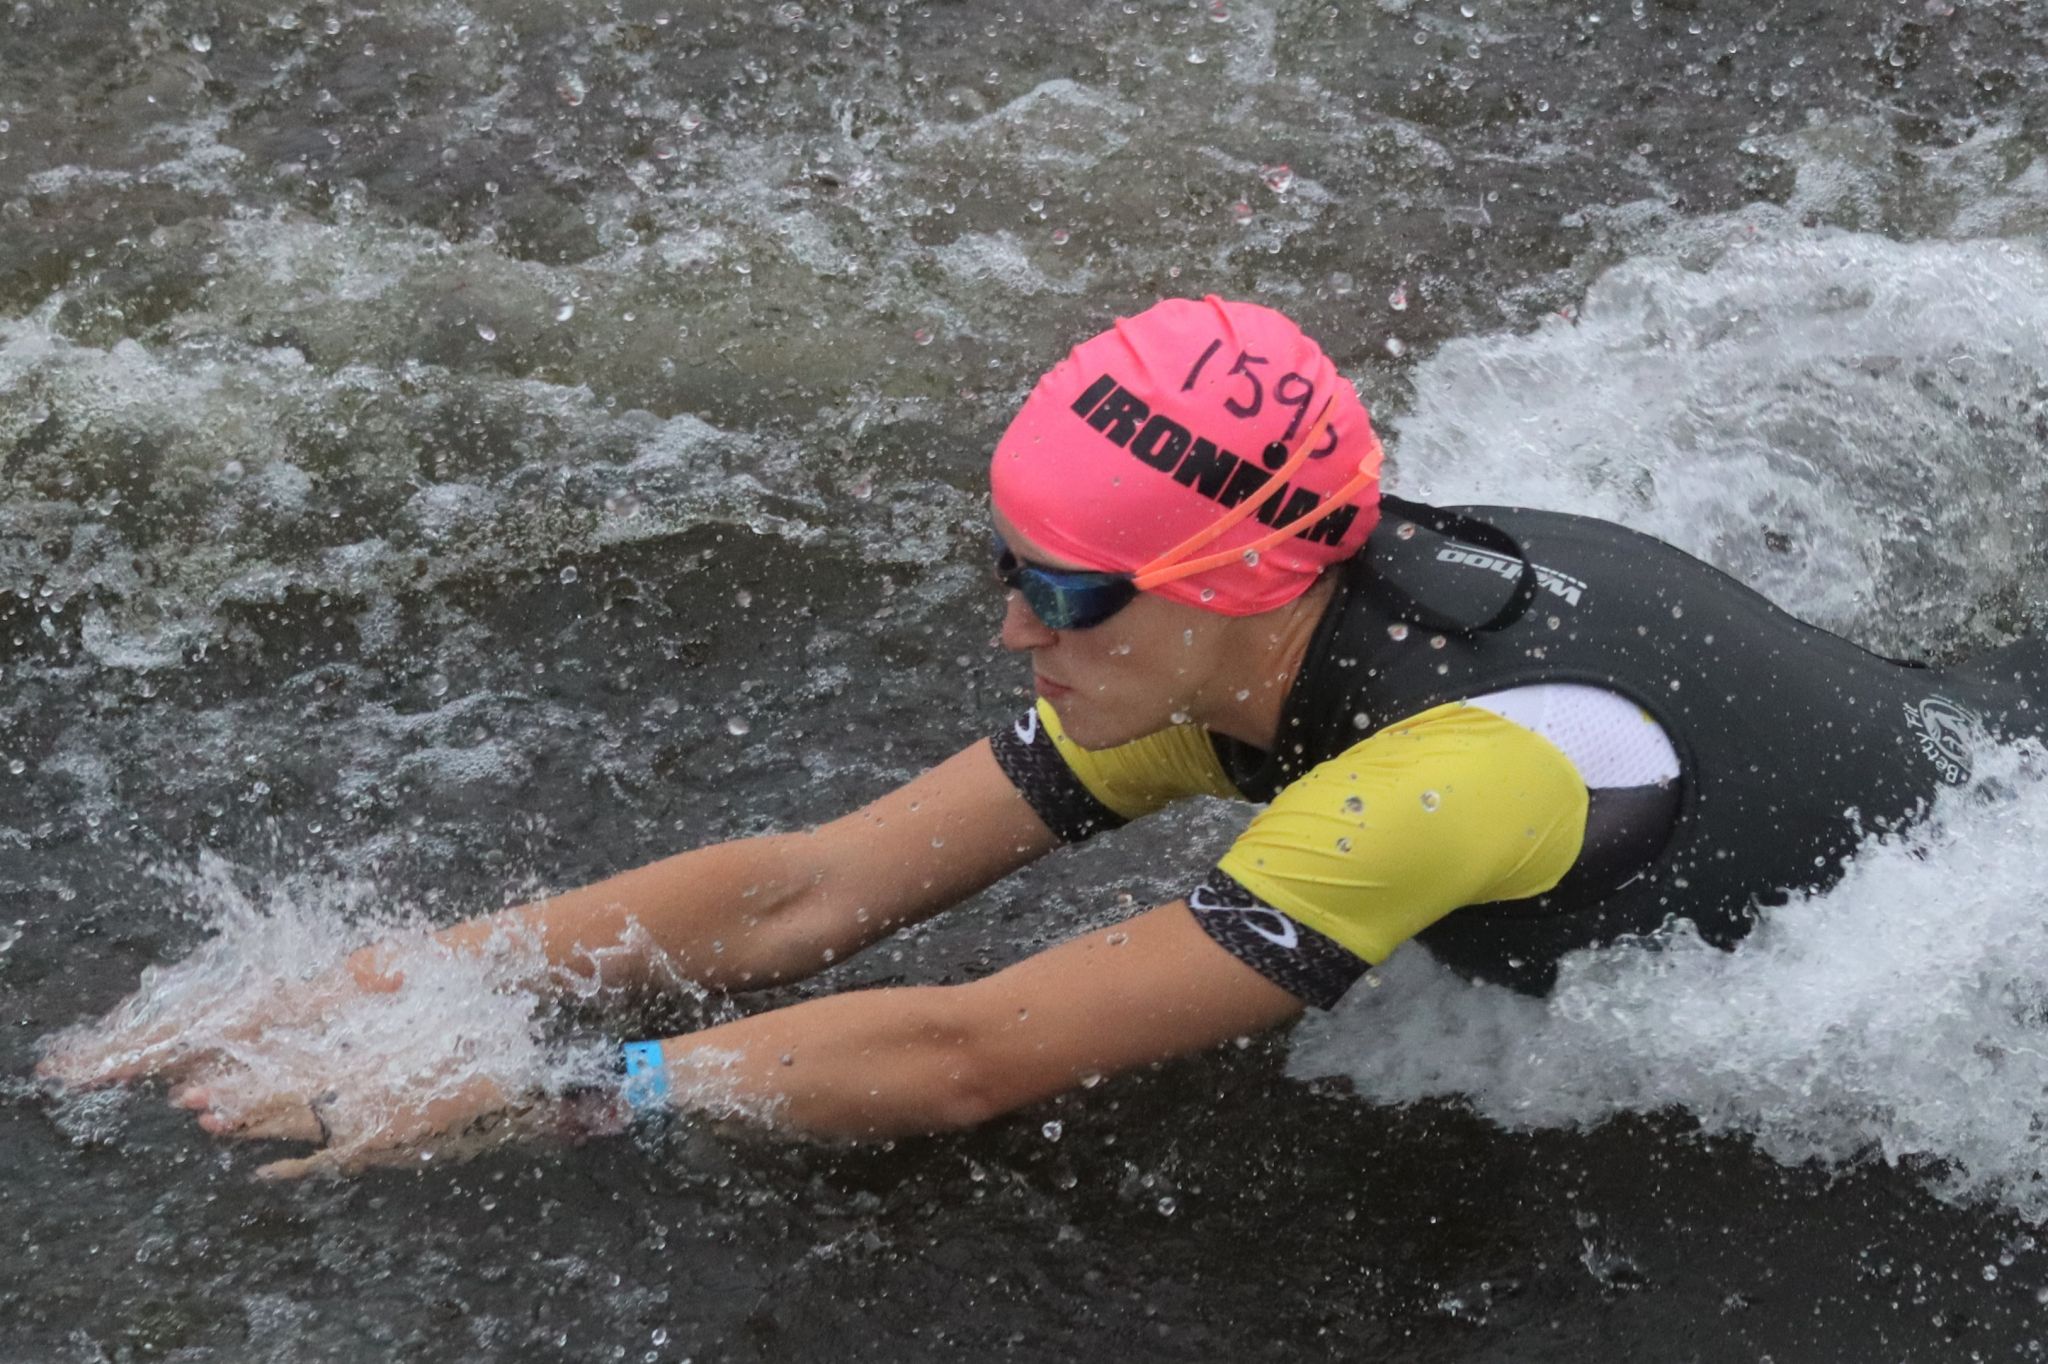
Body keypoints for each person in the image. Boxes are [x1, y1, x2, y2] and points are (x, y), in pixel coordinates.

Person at [38, 297, 2048, 1178]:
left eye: (1070, 590)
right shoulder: (1241, 654)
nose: (1018, 624)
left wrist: (520, 1104)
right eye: (1016, 566)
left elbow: (971, 1051)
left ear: (1232, 585)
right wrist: (406, 985)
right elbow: (818, 888)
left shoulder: (1435, 778)